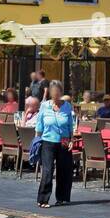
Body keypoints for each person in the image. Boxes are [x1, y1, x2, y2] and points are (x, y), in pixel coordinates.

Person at [34, 80, 75, 208]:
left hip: (63, 140)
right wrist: (36, 141)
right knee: (47, 170)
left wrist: (71, 140)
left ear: (61, 92)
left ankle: (63, 198)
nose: (56, 95)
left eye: (58, 92)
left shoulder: (67, 106)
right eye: (53, 92)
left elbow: (70, 125)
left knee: (64, 170)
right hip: (48, 141)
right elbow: (39, 125)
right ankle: (43, 199)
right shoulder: (44, 106)